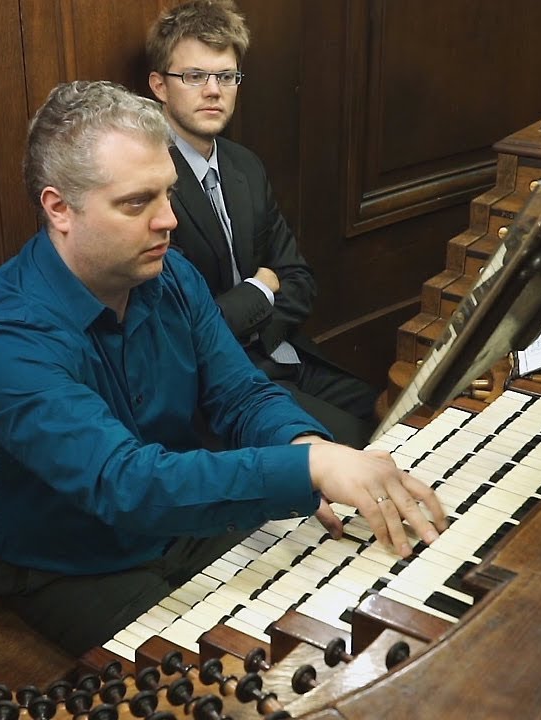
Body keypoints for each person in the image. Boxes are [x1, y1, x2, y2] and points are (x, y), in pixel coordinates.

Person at [0, 80, 446, 657]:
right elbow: (127, 484)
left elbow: (241, 394)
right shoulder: (6, 334)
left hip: (179, 521)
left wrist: (304, 444)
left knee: (354, 593)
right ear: (59, 208)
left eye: (168, 193)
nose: (168, 220)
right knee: (235, 680)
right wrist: (306, 468)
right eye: (138, 202)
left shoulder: (171, 274)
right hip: (71, 564)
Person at [147, 0, 380, 447]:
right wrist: (260, 289)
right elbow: (187, 331)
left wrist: (255, 319)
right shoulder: (153, 178)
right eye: (194, 77)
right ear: (159, 85)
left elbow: (299, 278)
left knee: (396, 414)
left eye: (226, 76)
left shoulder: (244, 165)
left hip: (283, 352)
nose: (213, 91)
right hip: (220, 388)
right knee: (363, 448)